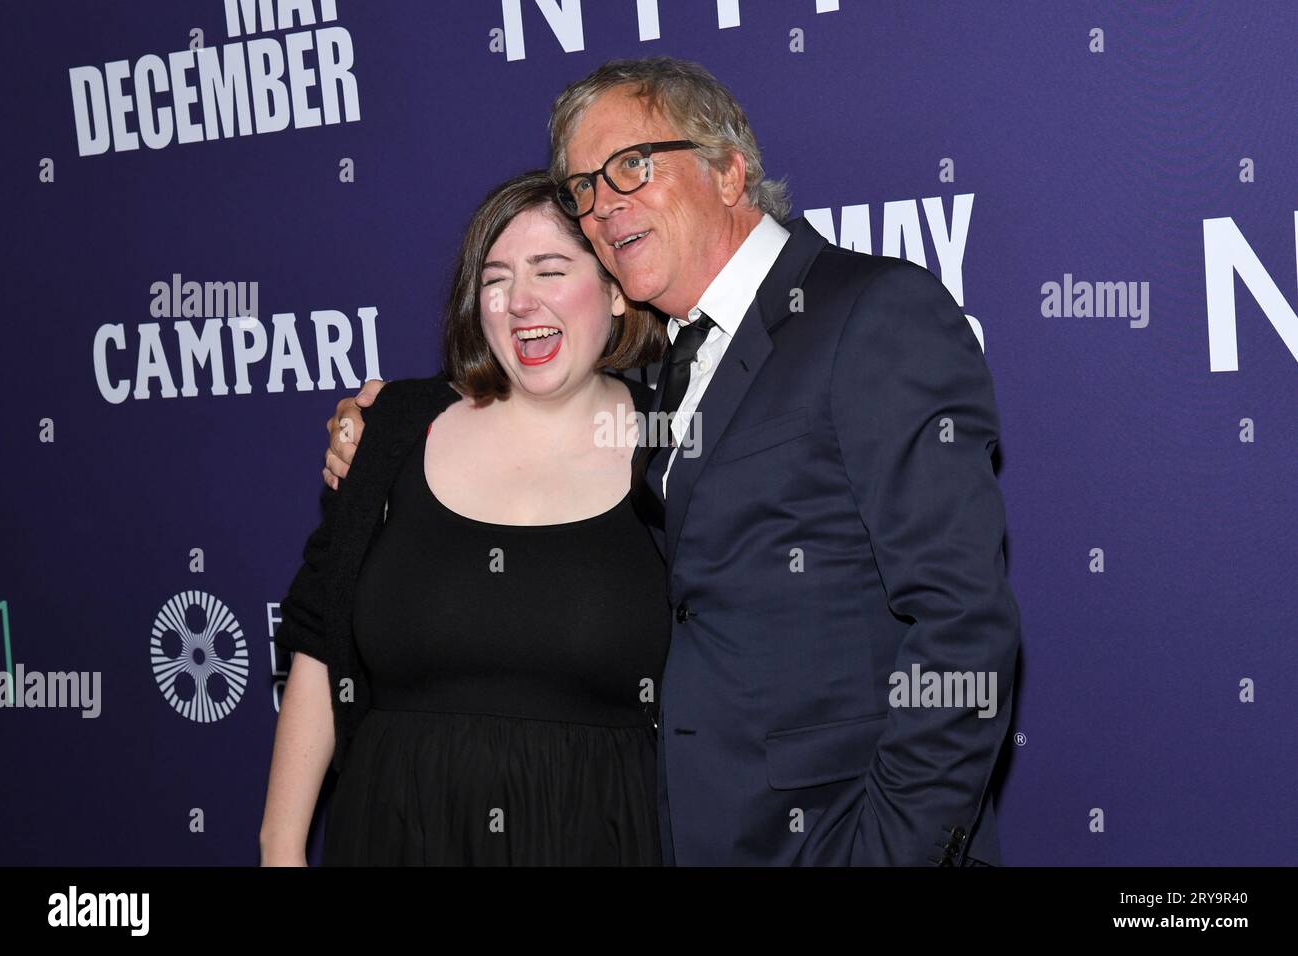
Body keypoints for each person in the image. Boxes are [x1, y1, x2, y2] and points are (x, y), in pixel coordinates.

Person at [325, 56, 1021, 867]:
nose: (603, 203)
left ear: (731, 171)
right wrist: (385, 425)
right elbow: (540, 401)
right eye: (584, 186)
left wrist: (892, 852)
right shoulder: (666, 372)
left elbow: (961, 627)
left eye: (632, 166)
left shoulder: (871, 315)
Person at [260, 170, 670, 865]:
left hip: (597, 838)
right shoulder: (392, 429)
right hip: (394, 835)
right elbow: (318, 639)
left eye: (551, 269)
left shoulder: (674, 442)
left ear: (616, 289)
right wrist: (282, 848)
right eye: (496, 278)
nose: (520, 303)